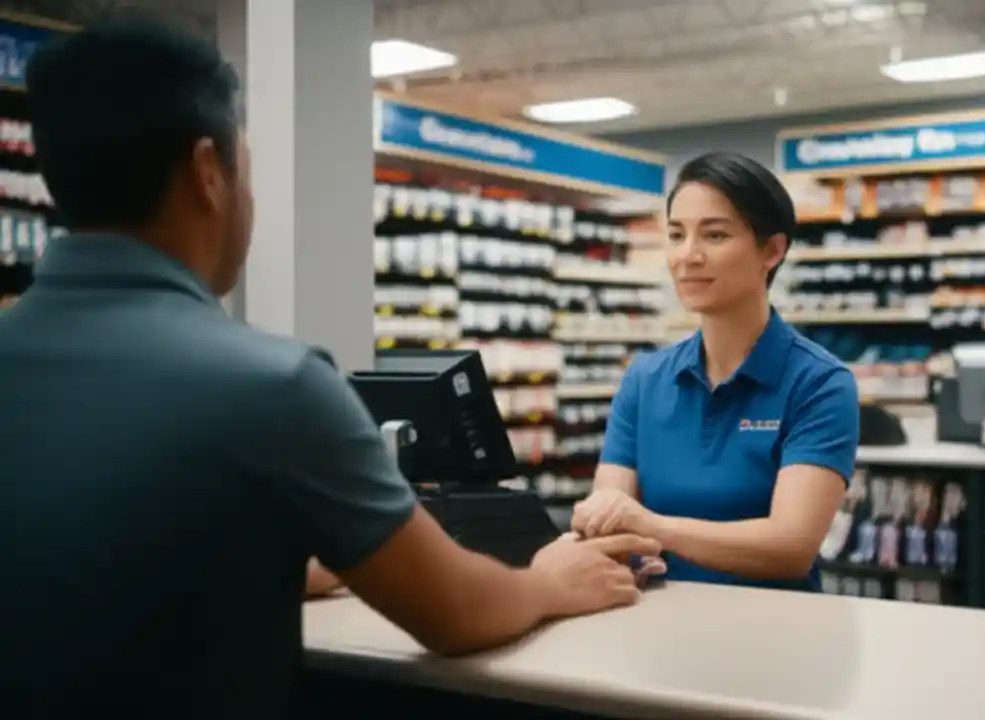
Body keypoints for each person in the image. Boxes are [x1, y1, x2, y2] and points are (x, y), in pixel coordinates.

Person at [0, 16, 659, 716]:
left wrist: (283, 568)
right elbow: (455, 612)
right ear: (208, 174)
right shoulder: (271, 386)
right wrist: (547, 583)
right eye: (247, 168)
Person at [572, 152, 860, 591]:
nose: (687, 255)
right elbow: (610, 518)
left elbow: (790, 548)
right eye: (676, 234)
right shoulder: (644, 379)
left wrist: (652, 526)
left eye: (715, 235)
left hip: (777, 627)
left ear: (772, 250)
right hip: (653, 621)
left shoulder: (819, 383)